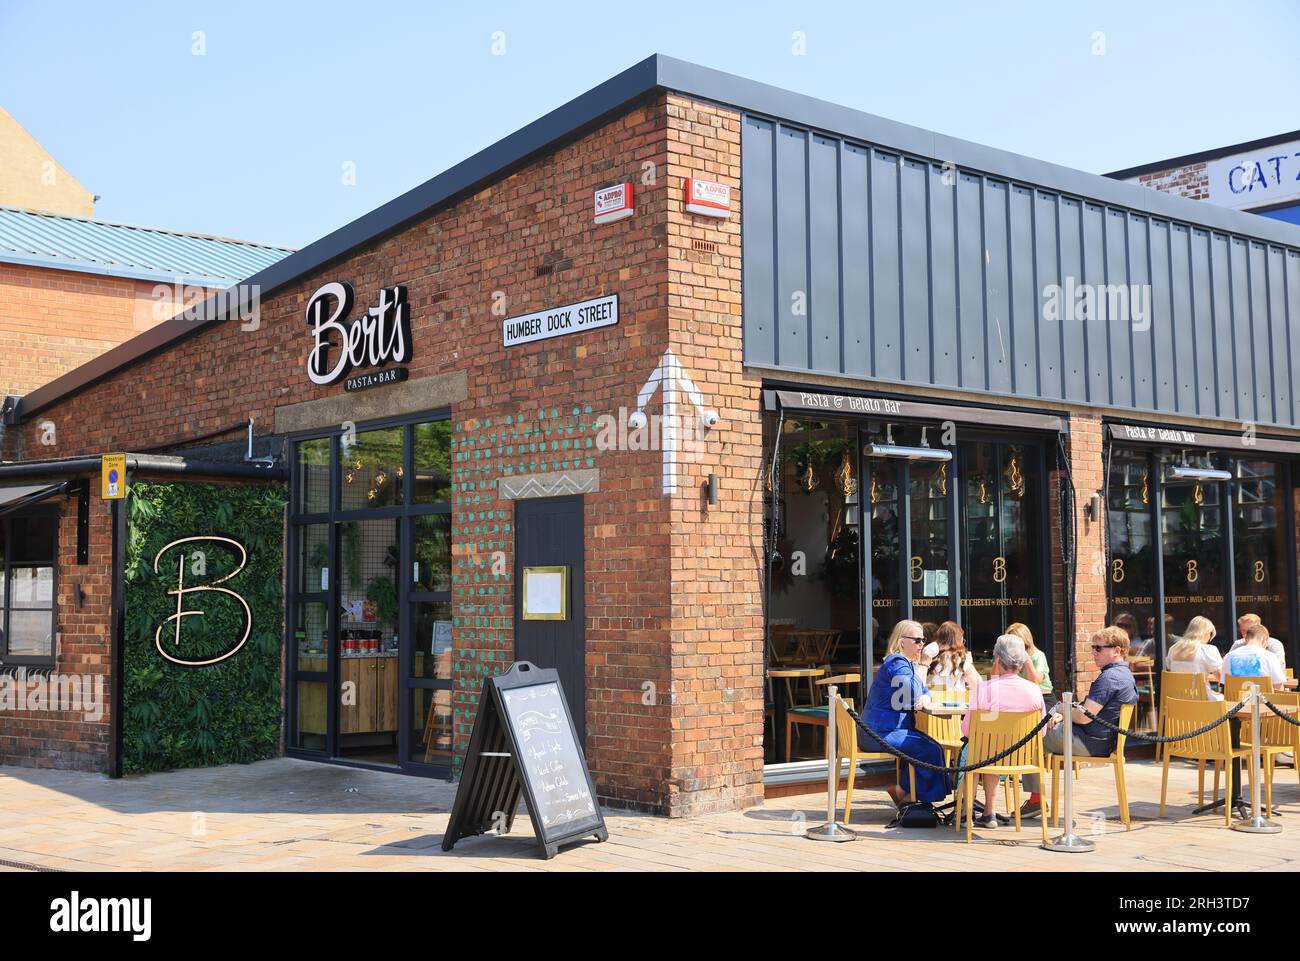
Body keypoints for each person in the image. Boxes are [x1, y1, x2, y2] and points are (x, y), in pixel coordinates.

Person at [1020, 626, 1138, 816]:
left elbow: (1084, 717)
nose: (1093, 652)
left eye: (1099, 648)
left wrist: (1060, 709)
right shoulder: (1124, 675)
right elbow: (1086, 708)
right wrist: (1064, 713)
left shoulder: (1110, 678)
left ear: (1117, 651)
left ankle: (1035, 800)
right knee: (1036, 734)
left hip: (1088, 742)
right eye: (1093, 647)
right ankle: (1035, 799)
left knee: (1029, 736)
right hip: (1097, 741)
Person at [859, 619, 951, 809]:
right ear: (902, 642)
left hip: (888, 730)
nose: (922, 645)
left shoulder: (906, 664)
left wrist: (925, 696)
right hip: (880, 732)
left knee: (932, 746)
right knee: (929, 749)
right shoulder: (897, 662)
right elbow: (913, 691)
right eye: (917, 640)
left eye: (923, 640)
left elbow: (921, 690)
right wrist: (925, 664)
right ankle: (909, 798)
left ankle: (908, 795)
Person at [960, 635, 1046, 829]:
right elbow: (1042, 730)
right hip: (1021, 757)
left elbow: (967, 730)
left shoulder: (985, 689)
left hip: (988, 755)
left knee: (975, 752)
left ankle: (967, 813)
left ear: (997, 660)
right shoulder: (1034, 690)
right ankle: (989, 812)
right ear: (1023, 663)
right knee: (990, 750)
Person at [1224, 622, 1297, 691]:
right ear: (1264, 639)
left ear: (1246, 638)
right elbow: (1278, 686)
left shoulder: (1228, 656)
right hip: (1264, 702)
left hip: (1235, 702)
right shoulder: (1270, 657)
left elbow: (1224, 683)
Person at [1166, 615, 1223, 700]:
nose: (1210, 639)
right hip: (1201, 702)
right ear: (1206, 633)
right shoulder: (1206, 650)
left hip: (1177, 701)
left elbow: (1170, 671)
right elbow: (1221, 677)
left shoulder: (1173, 649)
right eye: (1211, 634)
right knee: (1225, 700)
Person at [1007, 621, 1054, 711]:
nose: (1012, 646)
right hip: (1021, 698)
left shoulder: (1038, 655)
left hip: (1043, 698)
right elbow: (996, 678)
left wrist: (1027, 660)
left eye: (1015, 642)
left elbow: (1035, 682)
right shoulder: (1010, 658)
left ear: (1025, 641)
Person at [926, 620, 982, 692]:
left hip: (931, 699)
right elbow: (977, 684)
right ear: (958, 640)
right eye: (962, 640)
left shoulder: (928, 655)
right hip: (953, 700)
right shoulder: (960, 659)